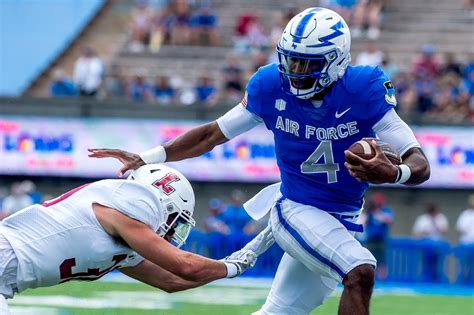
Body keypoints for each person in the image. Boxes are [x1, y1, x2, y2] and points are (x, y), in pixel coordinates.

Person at [89, 7, 430, 315]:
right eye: (291, 60)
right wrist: (147, 157)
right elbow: (212, 133)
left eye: (307, 64)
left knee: (278, 312)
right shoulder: (271, 85)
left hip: (343, 218)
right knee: (360, 271)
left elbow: (420, 162)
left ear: (337, 61)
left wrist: (395, 172)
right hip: (295, 208)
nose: (296, 71)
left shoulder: (363, 89)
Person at [0, 164, 264, 315]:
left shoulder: (128, 239)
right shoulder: (129, 206)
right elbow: (185, 266)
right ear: (161, 203)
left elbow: (171, 280)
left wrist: (224, 269)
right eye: (175, 219)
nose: (173, 232)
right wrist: (231, 267)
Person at [361, 192, 393, 280]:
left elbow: (388, 220)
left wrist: (376, 212)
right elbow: (363, 223)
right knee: (369, 260)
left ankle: (382, 280)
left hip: (381, 240)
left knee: (382, 261)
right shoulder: (369, 212)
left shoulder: (386, 211)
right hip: (370, 240)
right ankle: (370, 279)